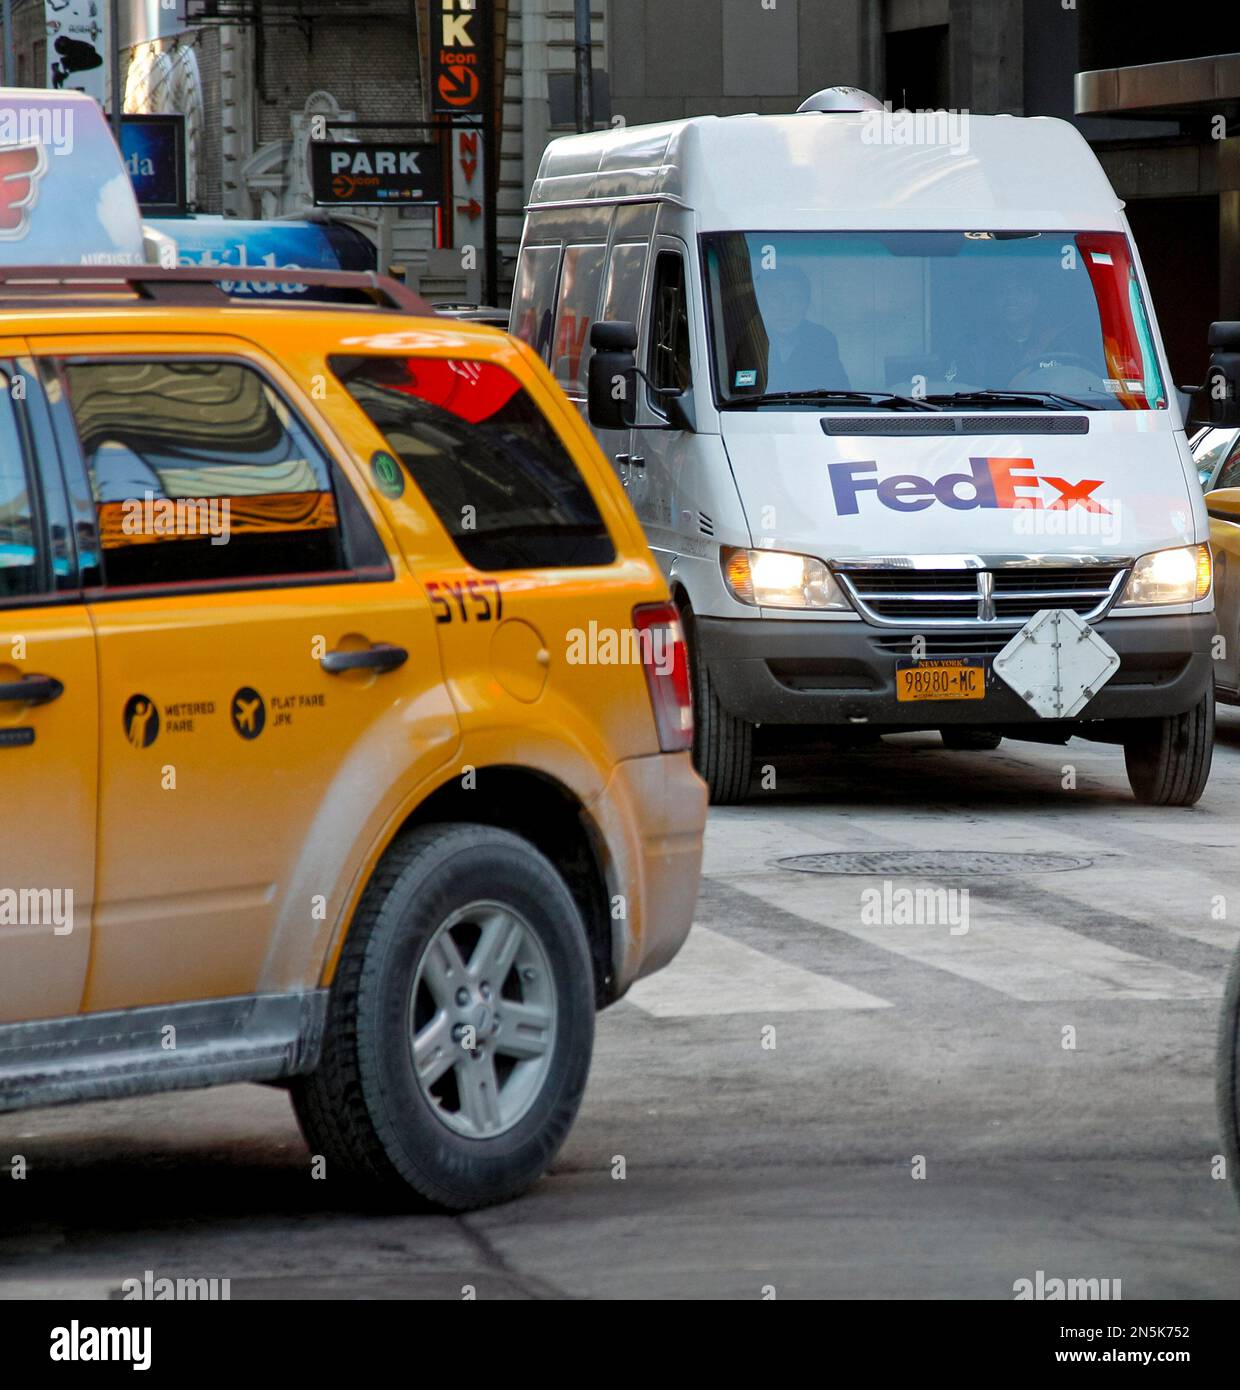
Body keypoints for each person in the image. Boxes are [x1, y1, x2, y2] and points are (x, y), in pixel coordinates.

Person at [755, 264, 849, 393]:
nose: (786, 308)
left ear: (806, 304)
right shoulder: (750, 338)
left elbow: (839, 391)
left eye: (795, 299)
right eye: (777, 298)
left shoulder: (822, 341)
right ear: (763, 301)